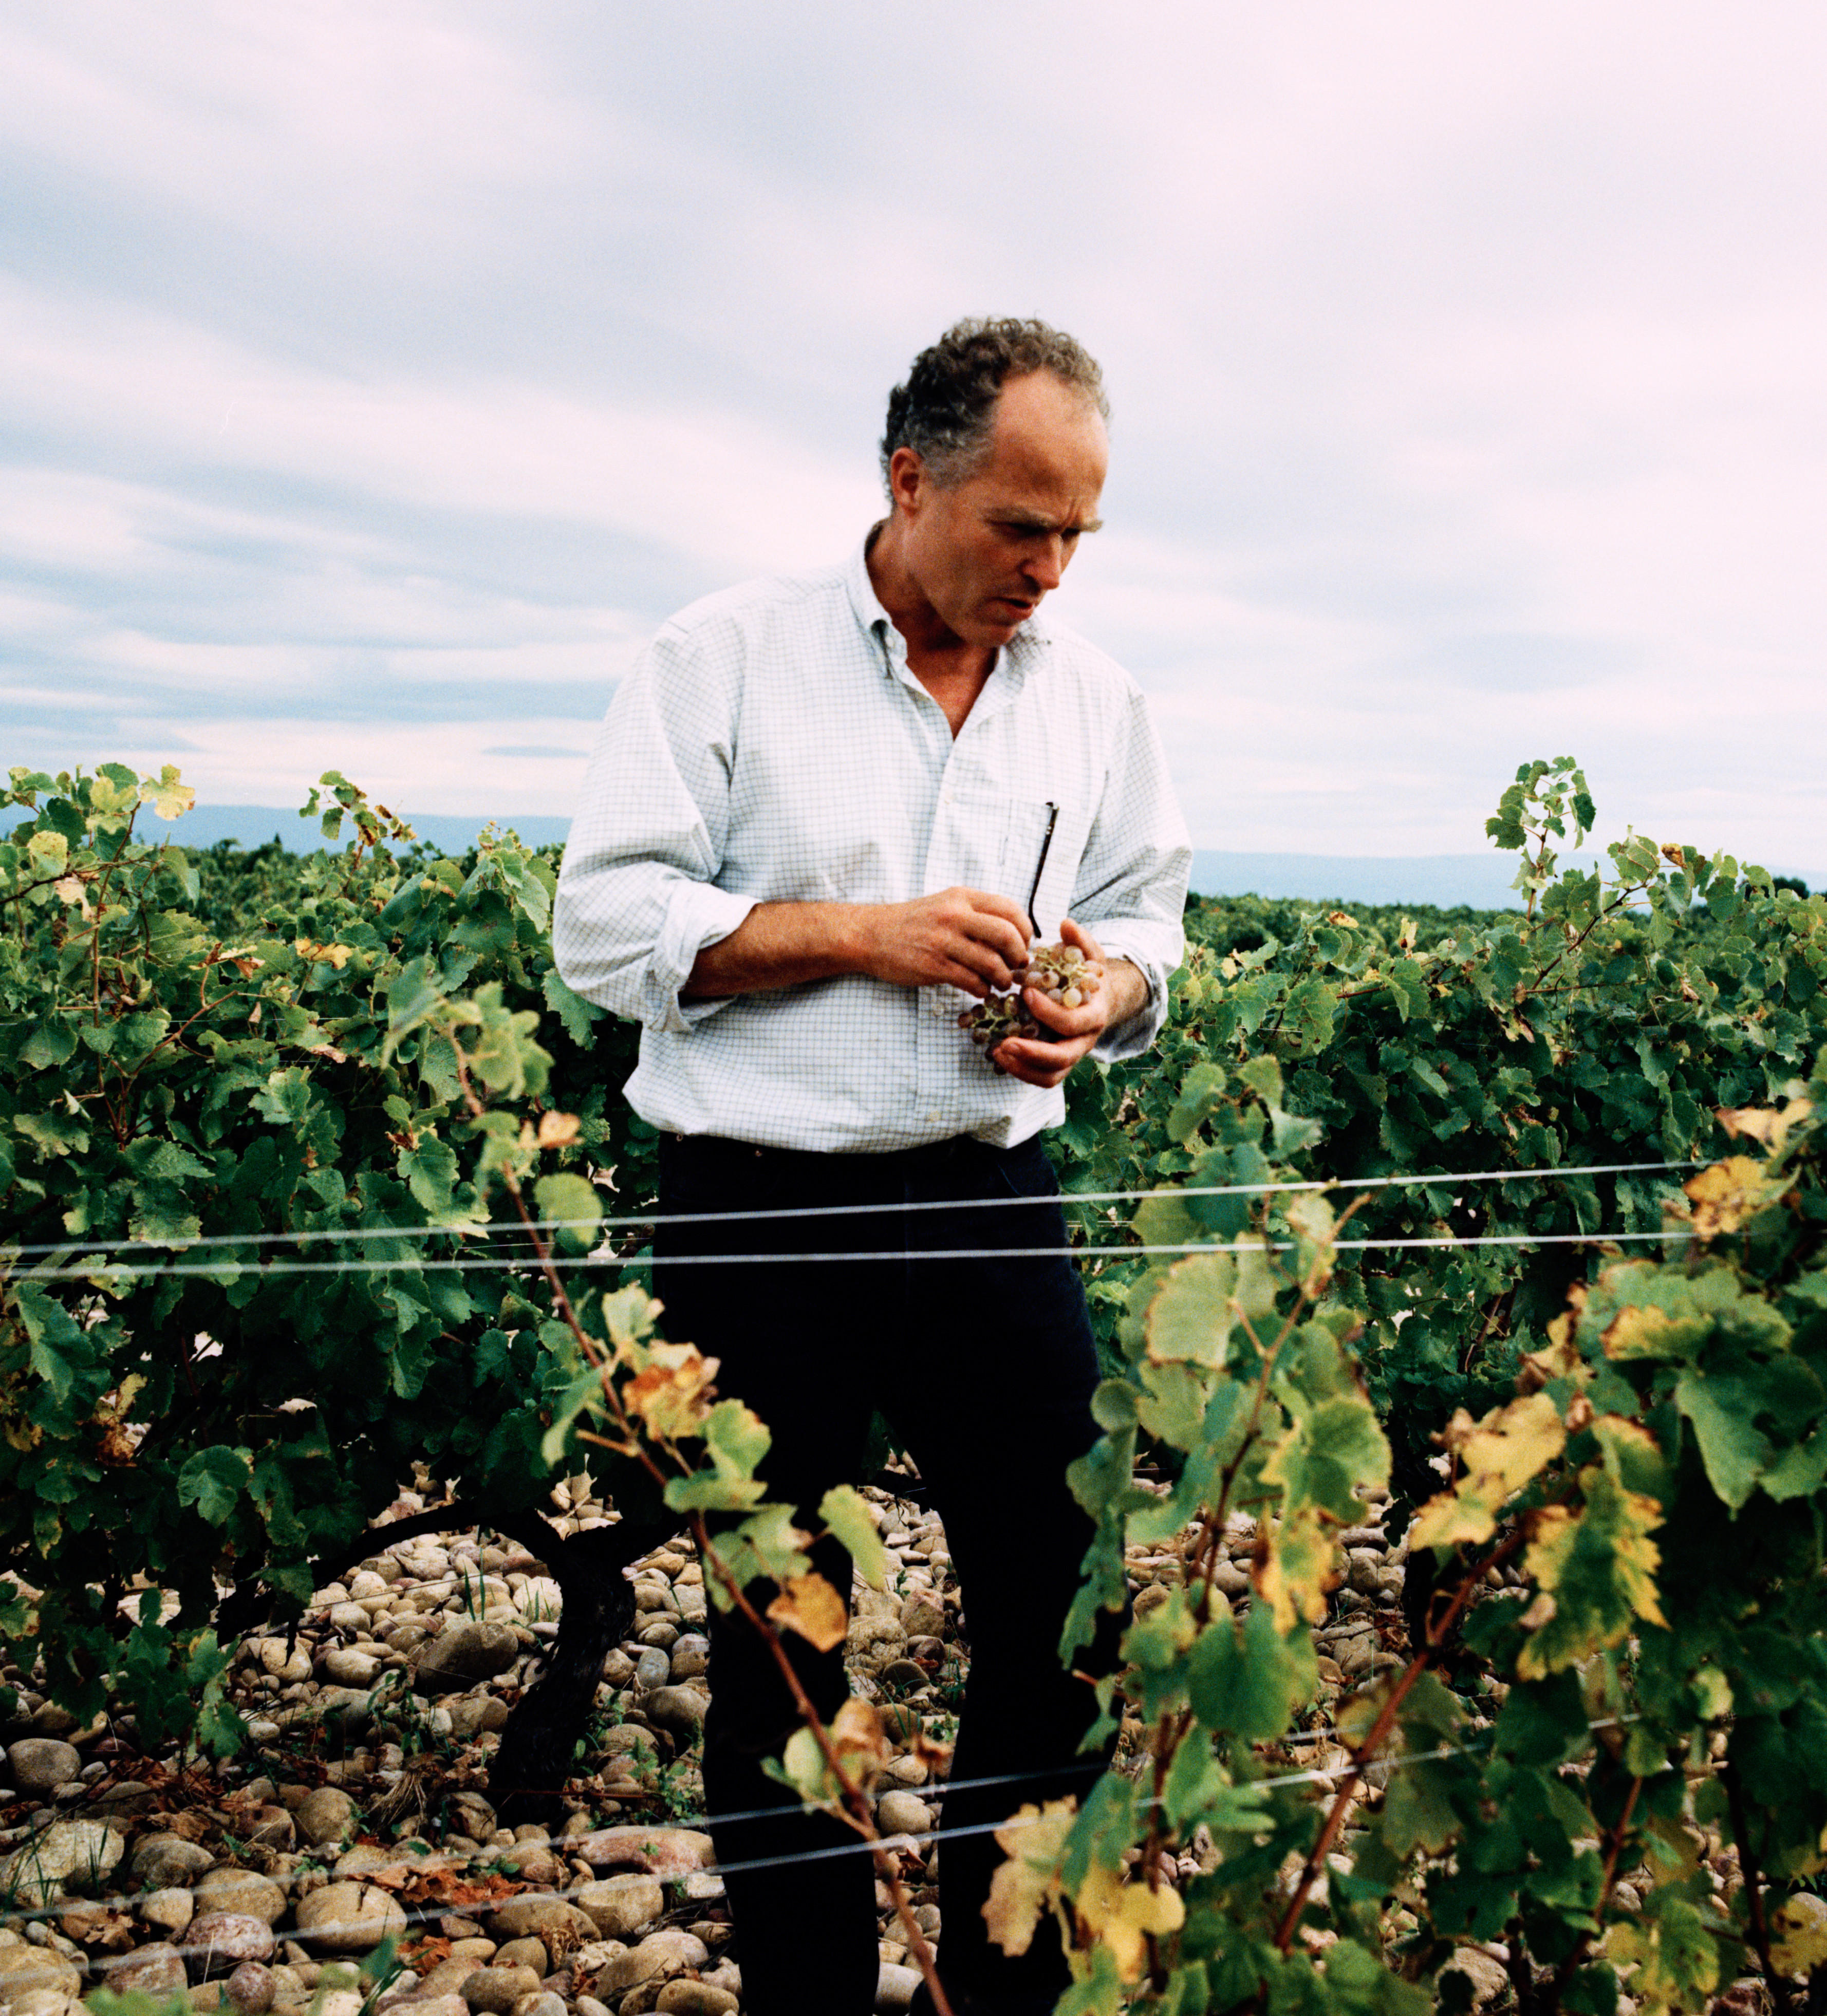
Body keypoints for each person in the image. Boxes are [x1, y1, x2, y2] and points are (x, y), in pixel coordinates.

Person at [553, 318, 1190, 2016]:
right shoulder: (722, 658)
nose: (1049, 572)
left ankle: (1008, 1988)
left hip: (992, 1201)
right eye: (1018, 526)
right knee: (784, 1657)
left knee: (1064, 1631)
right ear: (909, 479)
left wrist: (1097, 996)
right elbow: (599, 927)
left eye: (1078, 536)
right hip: (764, 1209)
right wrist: (861, 935)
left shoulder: (1098, 702)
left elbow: (1146, 924)